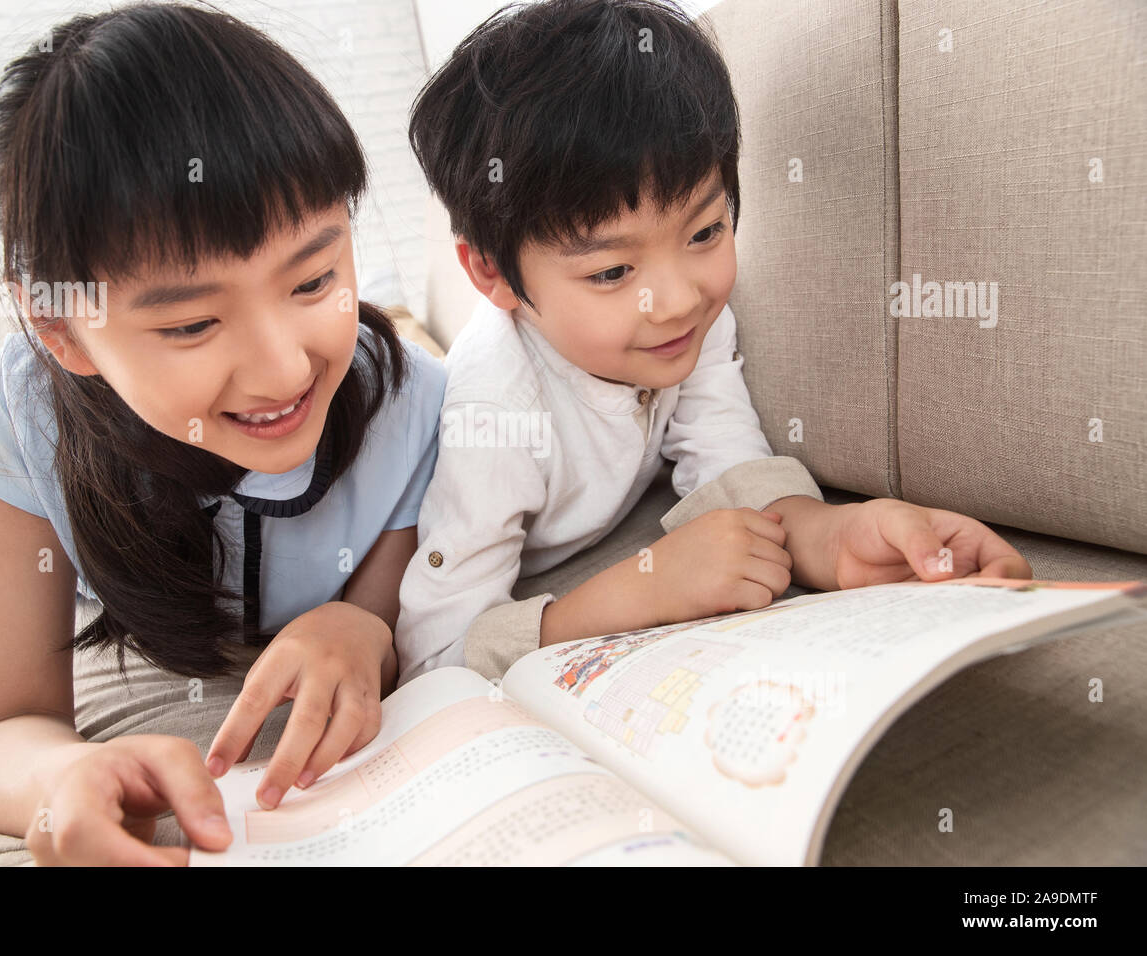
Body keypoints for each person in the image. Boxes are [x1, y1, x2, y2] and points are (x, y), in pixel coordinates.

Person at [0, 1, 445, 864]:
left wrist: (366, 629)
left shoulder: (412, 405)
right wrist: (59, 780)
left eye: (314, 279)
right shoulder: (21, 414)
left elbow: (386, 614)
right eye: (191, 326)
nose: (284, 369)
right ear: (64, 331)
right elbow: (2, 731)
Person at [394, 0, 1030, 686]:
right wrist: (638, 590)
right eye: (612, 271)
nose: (677, 300)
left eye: (704, 232)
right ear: (492, 272)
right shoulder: (492, 415)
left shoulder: (687, 317)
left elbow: (724, 452)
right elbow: (434, 652)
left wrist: (839, 538)